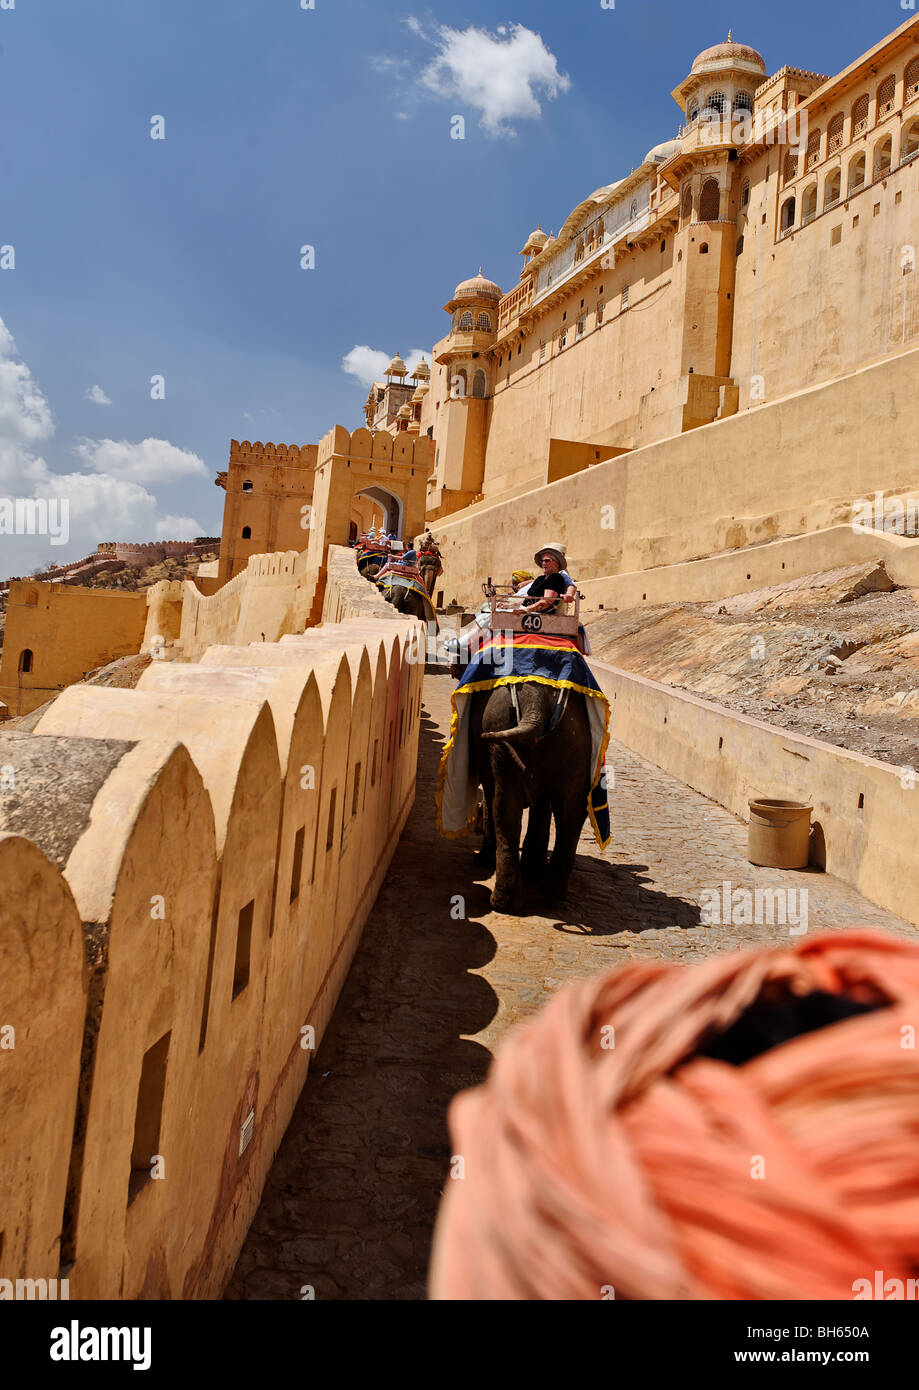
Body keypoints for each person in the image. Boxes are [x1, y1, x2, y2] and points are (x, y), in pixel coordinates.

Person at [523, 545, 574, 614]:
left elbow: (547, 601)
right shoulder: (540, 578)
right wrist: (510, 606)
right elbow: (527, 599)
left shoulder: (557, 577)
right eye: (542, 561)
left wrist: (525, 610)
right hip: (526, 609)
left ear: (557, 563)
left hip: (537, 614)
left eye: (547, 561)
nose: (543, 563)